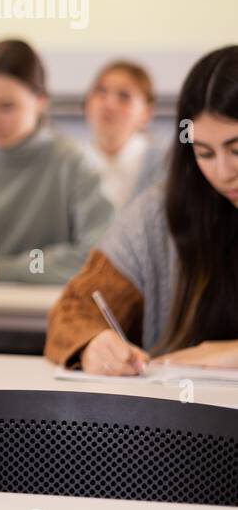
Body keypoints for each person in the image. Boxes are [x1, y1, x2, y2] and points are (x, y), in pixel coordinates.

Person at [47, 46, 238, 373]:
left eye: (236, 150)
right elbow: (74, 310)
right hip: (185, 419)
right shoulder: (158, 214)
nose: (222, 171)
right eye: (204, 153)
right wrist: (94, 343)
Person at [0, 39, 112, 284]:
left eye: (7, 106)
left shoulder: (73, 164)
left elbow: (95, 255)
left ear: (41, 101)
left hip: (47, 311)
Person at [83, 59, 166, 209]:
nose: (109, 104)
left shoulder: (163, 166)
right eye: (101, 91)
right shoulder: (69, 163)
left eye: (124, 96)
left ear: (147, 113)